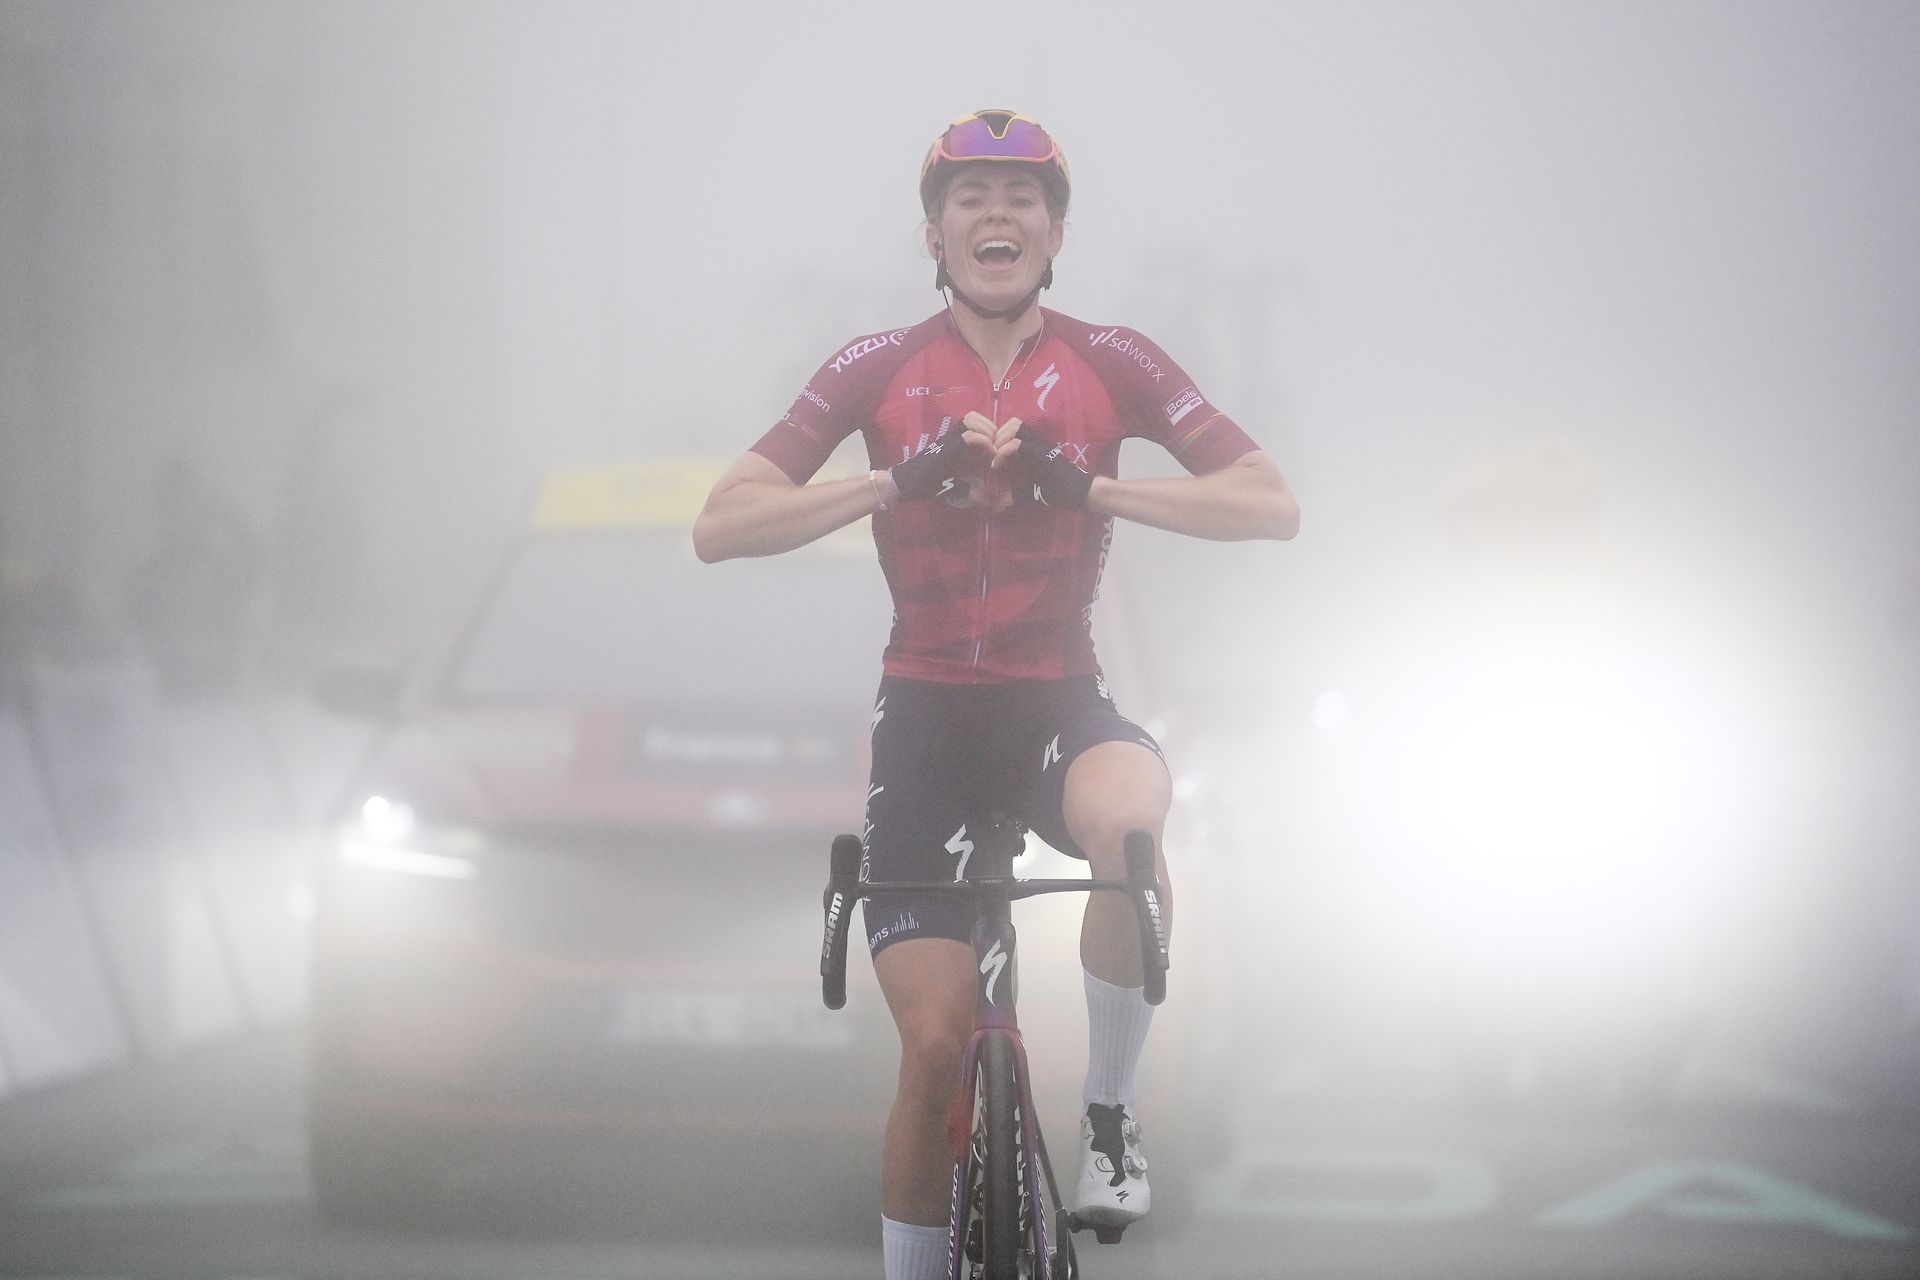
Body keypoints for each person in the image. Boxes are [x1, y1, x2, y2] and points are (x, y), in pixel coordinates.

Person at [694, 109, 1298, 1280]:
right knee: (930, 1054)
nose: (997, 216)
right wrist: (893, 480)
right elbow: (723, 523)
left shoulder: (1114, 358)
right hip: (924, 720)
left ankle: (1111, 1114)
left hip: (1055, 699)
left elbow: (1268, 499)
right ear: (935, 231)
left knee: (1128, 826)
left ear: (1055, 230)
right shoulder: (876, 367)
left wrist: (1087, 490)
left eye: (1022, 198)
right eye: (971, 197)